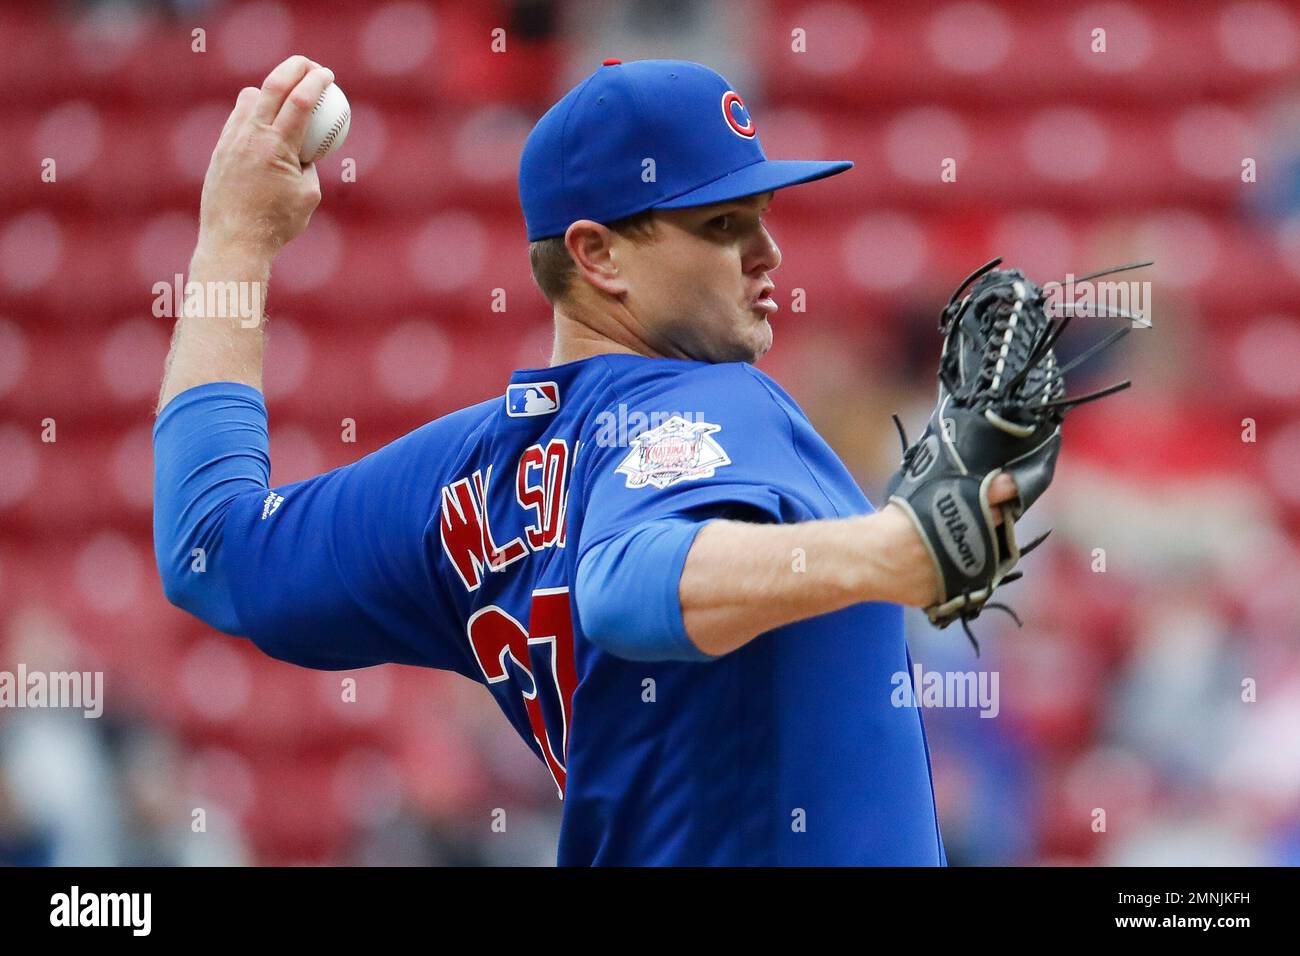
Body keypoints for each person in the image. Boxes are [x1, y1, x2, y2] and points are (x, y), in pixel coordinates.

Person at [153, 55, 1022, 865]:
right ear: (596, 255)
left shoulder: (461, 479)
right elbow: (623, 585)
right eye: (722, 224)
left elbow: (209, 551)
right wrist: (890, 551)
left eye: (763, 216)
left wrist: (233, 242)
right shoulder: (719, 399)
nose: (769, 254)